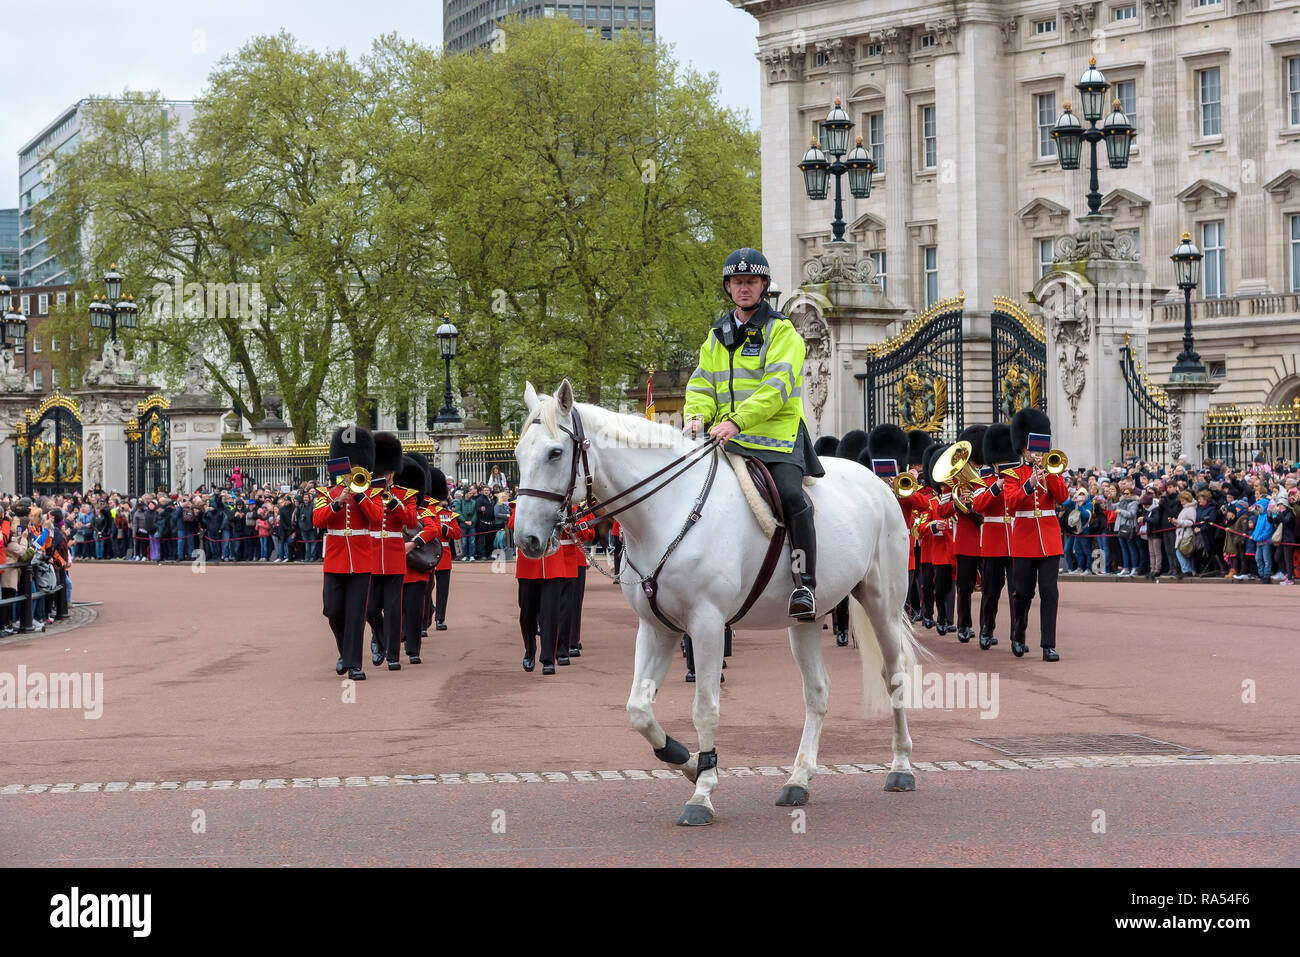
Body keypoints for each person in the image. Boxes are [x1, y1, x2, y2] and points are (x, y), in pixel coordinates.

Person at [682, 247, 825, 619]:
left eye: (751, 281)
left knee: (793, 498)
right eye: (737, 282)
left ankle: (805, 584)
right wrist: (696, 418)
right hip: (726, 440)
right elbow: (701, 386)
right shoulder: (716, 336)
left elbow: (776, 389)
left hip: (775, 439)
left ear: (763, 286)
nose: (744, 288)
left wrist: (736, 421)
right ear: (728, 287)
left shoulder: (783, 332)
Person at [314, 426, 384, 680]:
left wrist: (359, 496)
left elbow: (376, 519)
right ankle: (344, 651)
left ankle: (355, 664)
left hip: (362, 559)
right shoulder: (327, 494)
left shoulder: (371, 494)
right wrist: (338, 501)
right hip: (335, 559)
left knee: (356, 613)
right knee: (332, 610)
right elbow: (317, 520)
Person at [998, 408, 1067, 662]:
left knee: (1050, 591)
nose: (1034, 452)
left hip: (1049, 539)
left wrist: (1048, 474)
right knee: (1023, 593)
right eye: (1031, 448)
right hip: (1025, 540)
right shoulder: (1012, 475)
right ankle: (1018, 633)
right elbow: (1011, 504)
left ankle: (1048, 644)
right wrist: (1029, 484)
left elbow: (1062, 497)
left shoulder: (1051, 470)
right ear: (1022, 448)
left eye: (1037, 448)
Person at [366, 433, 417, 671]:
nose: (383, 477)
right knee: (371, 608)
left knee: (394, 608)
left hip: (395, 555)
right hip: (372, 555)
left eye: (386, 473)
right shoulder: (366, 493)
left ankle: (394, 655)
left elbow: (411, 519)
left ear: (393, 473)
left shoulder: (406, 495)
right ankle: (378, 638)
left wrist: (395, 503)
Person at [971, 423, 1017, 650]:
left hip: (1016, 542)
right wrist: (997, 487)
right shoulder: (985, 480)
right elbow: (978, 505)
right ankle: (986, 630)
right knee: (990, 592)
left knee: (1018, 592)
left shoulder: (1019, 478)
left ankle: (1017, 637)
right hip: (993, 543)